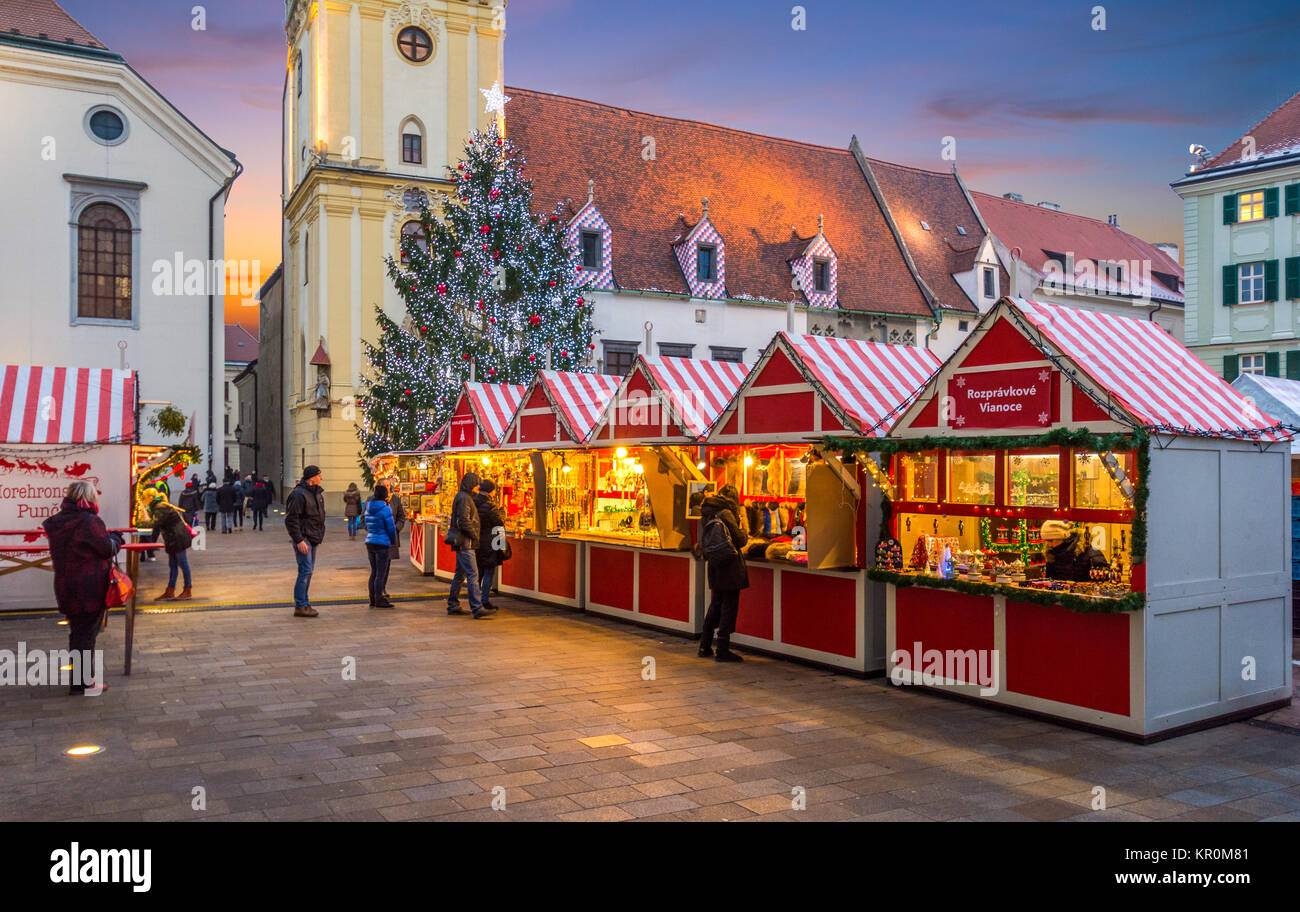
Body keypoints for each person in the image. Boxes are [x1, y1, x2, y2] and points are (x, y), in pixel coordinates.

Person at [42, 481, 121, 695]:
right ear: (88, 499)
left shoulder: (56, 522)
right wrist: (115, 538)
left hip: (66, 584)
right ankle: (84, 683)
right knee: (86, 634)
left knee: (78, 632)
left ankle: (80, 681)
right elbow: (106, 549)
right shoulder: (90, 522)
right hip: (89, 586)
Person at [697, 484, 749, 662]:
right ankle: (723, 648)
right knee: (728, 606)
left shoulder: (708, 511)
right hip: (729, 565)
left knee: (715, 605)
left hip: (715, 564)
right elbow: (741, 539)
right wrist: (742, 524)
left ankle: (705, 645)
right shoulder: (727, 513)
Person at [445, 471, 493, 619]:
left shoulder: (463, 497)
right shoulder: (465, 498)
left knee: (460, 574)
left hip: (464, 541)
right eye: (476, 485)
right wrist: (474, 535)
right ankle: (477, 607)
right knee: (473, 573)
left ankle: (453, 604)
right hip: (466, 542)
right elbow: (464, 520)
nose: (477, 488)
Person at [285, 466, 326, 617]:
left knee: (308, 572)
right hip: (304, 538)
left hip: (314, 536)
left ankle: (304, 603)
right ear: (312, 477)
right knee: (305, 571)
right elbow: (291, 519)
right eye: (319, 475)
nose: (321, 478)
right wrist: (299, 540)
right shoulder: (299, 494)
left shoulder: (317, 493)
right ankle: (300, 605)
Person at [148, 492, 195, 601]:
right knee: (173, 565)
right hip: (173, 539)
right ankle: (170, 590)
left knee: (182, 563)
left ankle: (187, 590)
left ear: (150, 498)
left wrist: (145, 520)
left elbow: (155, 523)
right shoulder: (162, 506)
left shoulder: (160, 508)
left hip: (177, 538)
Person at [362, 484, 398, 609]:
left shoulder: (368, 508)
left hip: (370, 541)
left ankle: (372, 599)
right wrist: (393, 541)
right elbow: (391, 528)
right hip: (382, 543)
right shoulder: (385, 509)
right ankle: (379, 599)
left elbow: (366, 523)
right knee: (380, 574)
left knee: (374, 572)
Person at [1041, 520, 1109, 582]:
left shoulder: (1088, 552)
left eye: (1051, 540)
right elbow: (1049, 582)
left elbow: (1103, 580)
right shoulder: (1051, 555)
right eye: (1046, 541)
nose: (1049, 544)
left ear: (1062, 537)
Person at [474, 480, 506, 612]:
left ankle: (475, 599)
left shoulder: (472, 502)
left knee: (478, 572)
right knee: (488, 572)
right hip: (489, 542)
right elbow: (498, 522)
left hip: (476, 541)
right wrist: (502, 513)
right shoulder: (490, 506)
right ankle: (484, 600)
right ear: (491, 491)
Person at [384, 477, 406, 602]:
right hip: (378, 539)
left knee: (387, 565)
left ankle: (383, 587)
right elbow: (365, 519)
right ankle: (377, 590)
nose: (387, 487)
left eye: (388, 485)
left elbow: (401, 517)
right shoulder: (372, 500)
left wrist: (396, 528)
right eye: (385, 485)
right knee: (378, 566)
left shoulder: (395, 500)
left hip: (392, 538)